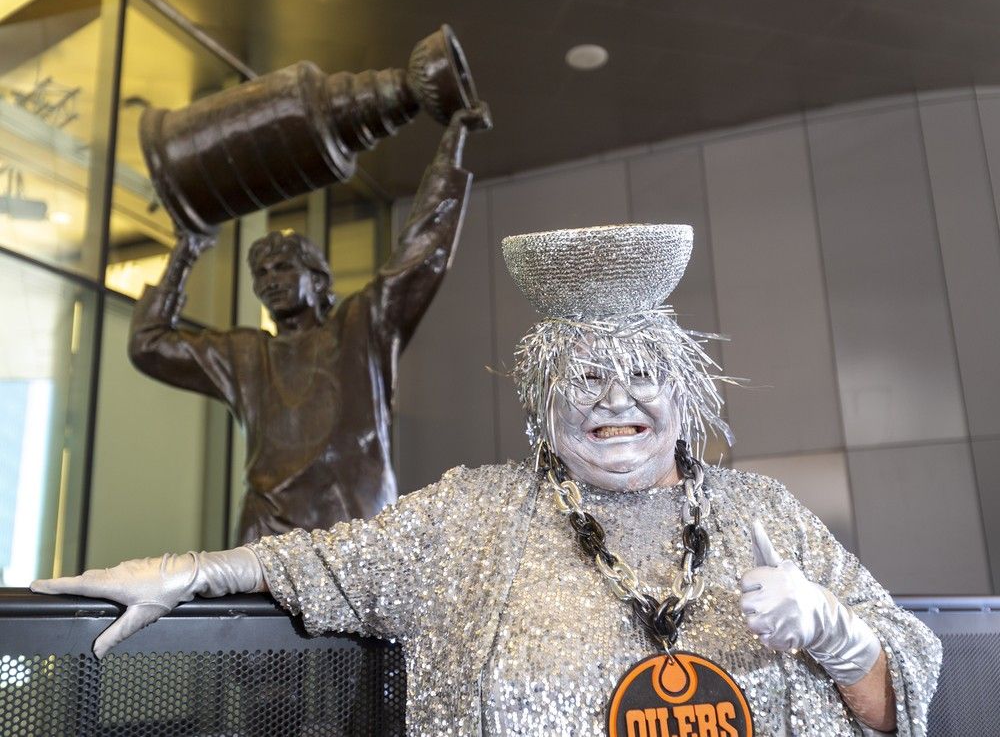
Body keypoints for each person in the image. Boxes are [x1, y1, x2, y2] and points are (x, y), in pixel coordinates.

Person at [33, 224, 940, 735]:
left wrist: (838, 634)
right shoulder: (472, 515)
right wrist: (187, 573)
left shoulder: (762, 513)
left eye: (640, 374)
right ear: (544, 400)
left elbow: (897, 706)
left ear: (685, 388)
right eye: (584, 375)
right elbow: (324, 563)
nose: (614, 401)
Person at [128, 103, 491, 544]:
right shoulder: (244, 354)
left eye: (282, 268)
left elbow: (421, 251)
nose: (270, 281)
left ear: (318, 281)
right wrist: (185, 252)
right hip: (266, 531)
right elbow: (148, 344)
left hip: (356, 527)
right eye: (261, 275)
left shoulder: (361, 327)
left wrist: (451, 146)